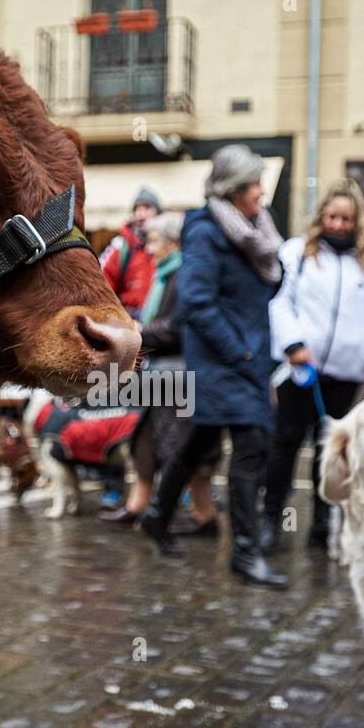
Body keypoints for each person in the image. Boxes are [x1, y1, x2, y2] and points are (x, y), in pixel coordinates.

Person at [138, 145, 287, 587]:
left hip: (247, 356)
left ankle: (156, 513)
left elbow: (259, 290)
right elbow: (196, 303)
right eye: (255, 184)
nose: (262, 191)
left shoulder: (254, 229)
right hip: (224, 359)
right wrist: (237, 351)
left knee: (199, 442)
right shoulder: (205, 229)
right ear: (234, 189)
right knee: (251, 445)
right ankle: (245, 551)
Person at [261, 179, 364, 553]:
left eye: (347, 218)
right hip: (299, 369)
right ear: (321, 216)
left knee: (331, 449)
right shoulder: (296, 253)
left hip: (346, 373)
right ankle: (271, 520)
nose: (339, 225)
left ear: (357, 220)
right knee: (285, 443)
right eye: (332, 216)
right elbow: (278, 301)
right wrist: (293, 343)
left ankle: (323, 525)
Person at [99, 211, 219, 532]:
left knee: (181, 447)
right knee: (146, 443)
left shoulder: (182, 276)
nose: (148, 248)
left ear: (173, 243)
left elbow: (177, 328)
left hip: (178, 374)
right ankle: (139, 505)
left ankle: (201, 514)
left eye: (153, 241)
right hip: (162, 373)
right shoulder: (167, 275)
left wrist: (140, 329)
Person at [100, 187, 162, 317]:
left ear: (158, 213)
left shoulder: (170, 245)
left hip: (161, 324)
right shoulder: (121, 246)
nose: (141, 214)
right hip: (129, 320)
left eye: (147, 208)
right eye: (137, 209)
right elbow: (100, 284)